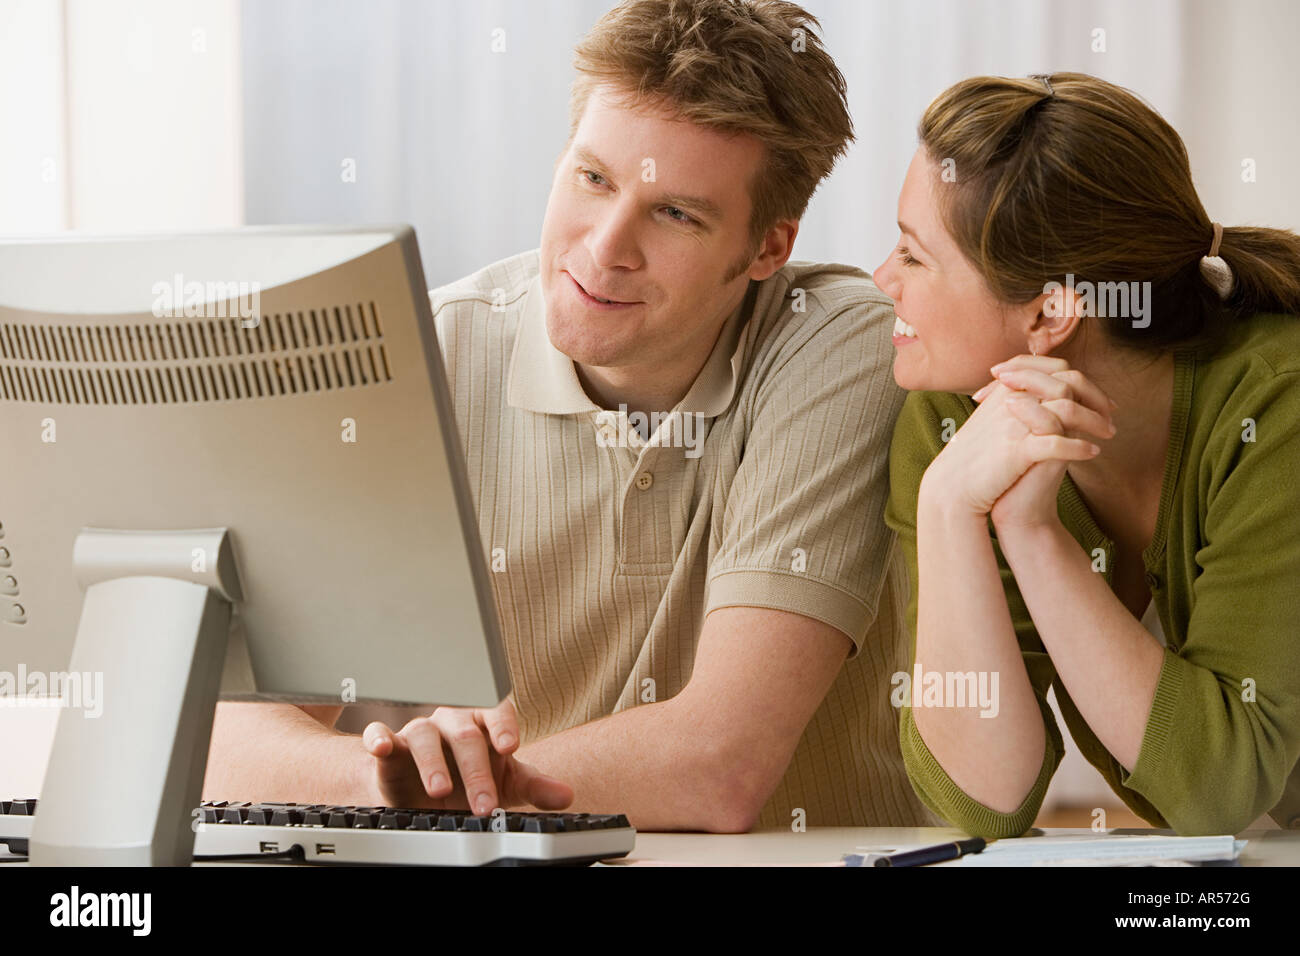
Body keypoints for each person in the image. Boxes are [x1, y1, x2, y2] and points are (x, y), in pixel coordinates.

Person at [204, 0, 937, 832]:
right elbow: (224, 742)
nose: (603, 247)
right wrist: (397, 784)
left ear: (769, 248)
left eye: (675, 213)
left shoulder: (843, 344)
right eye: (593, 179)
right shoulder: (423, 357)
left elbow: (721, 764)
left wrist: (456, 793)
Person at [876, 71, 1300, 838]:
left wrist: (1035, 535)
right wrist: (947, 510)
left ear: (1049, 312)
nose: (883, 281)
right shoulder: (956, 410)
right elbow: (982, 801)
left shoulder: (1277, 406)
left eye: (913, 256)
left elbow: (1220, 789)